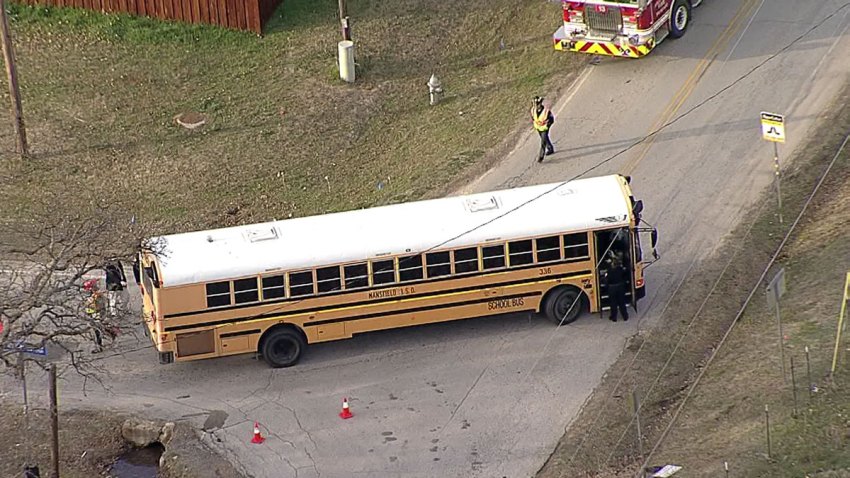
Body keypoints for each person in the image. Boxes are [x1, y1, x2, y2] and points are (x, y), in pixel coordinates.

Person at [83, 279, 106, 353]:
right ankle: (99, 344)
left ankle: (98, 347)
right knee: (96, 330)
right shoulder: (94, 295)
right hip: (92, 314)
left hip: (96, 314)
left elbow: (99, 306)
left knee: (96, 331)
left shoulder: (97, 296)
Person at [604, 255, 629, 322]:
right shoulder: (620, 269)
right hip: (620, 287)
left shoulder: (609, 271)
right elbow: (625, 276)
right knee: (622, 302)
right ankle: (625, 316)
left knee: (613, 303)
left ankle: (614, 317)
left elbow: (606, 280)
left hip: (612, 288)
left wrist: (606, 287)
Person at [531, 96, 555, 162]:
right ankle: (550, 148)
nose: (535, 106)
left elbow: (552, 119)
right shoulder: (533, 110)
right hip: (538, 127)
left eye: (537, 104)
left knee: (543, 141)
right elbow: (533, 118)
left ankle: (541, 157)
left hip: (545, 128)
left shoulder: (546, 111)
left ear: (540, 104)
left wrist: (548, 124)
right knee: (544, 138)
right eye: (534, 104)